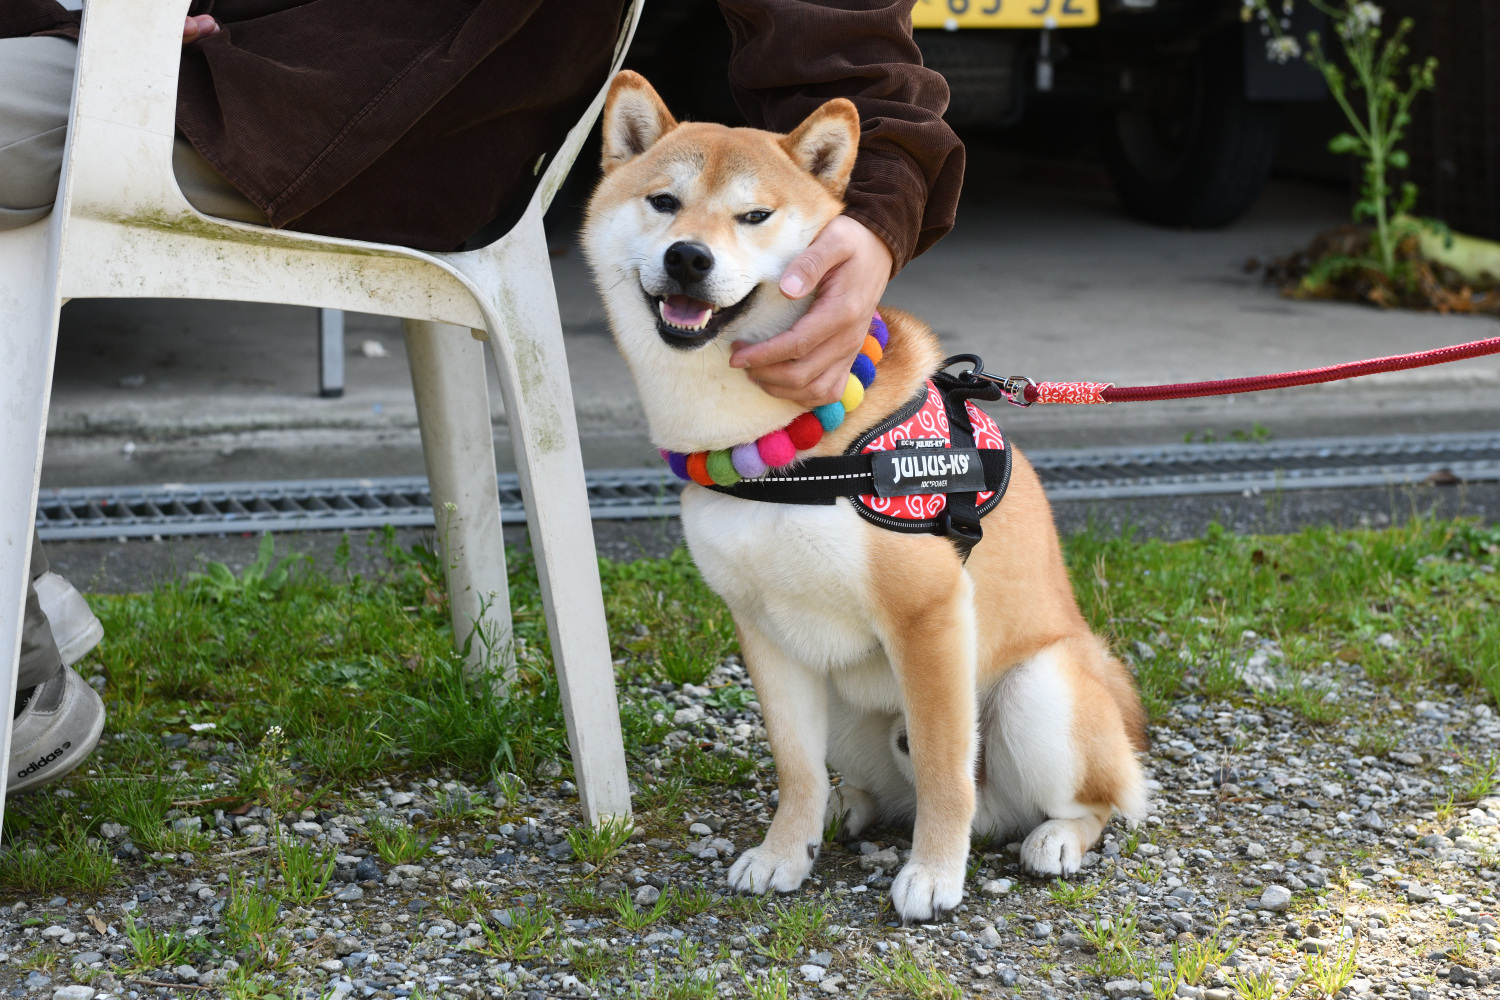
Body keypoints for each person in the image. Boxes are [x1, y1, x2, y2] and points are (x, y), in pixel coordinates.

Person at [0, 0, 964, 792]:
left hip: (349, 96)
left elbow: (838, 42)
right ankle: (21, 633)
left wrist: (872, 208)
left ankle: (19, 672)